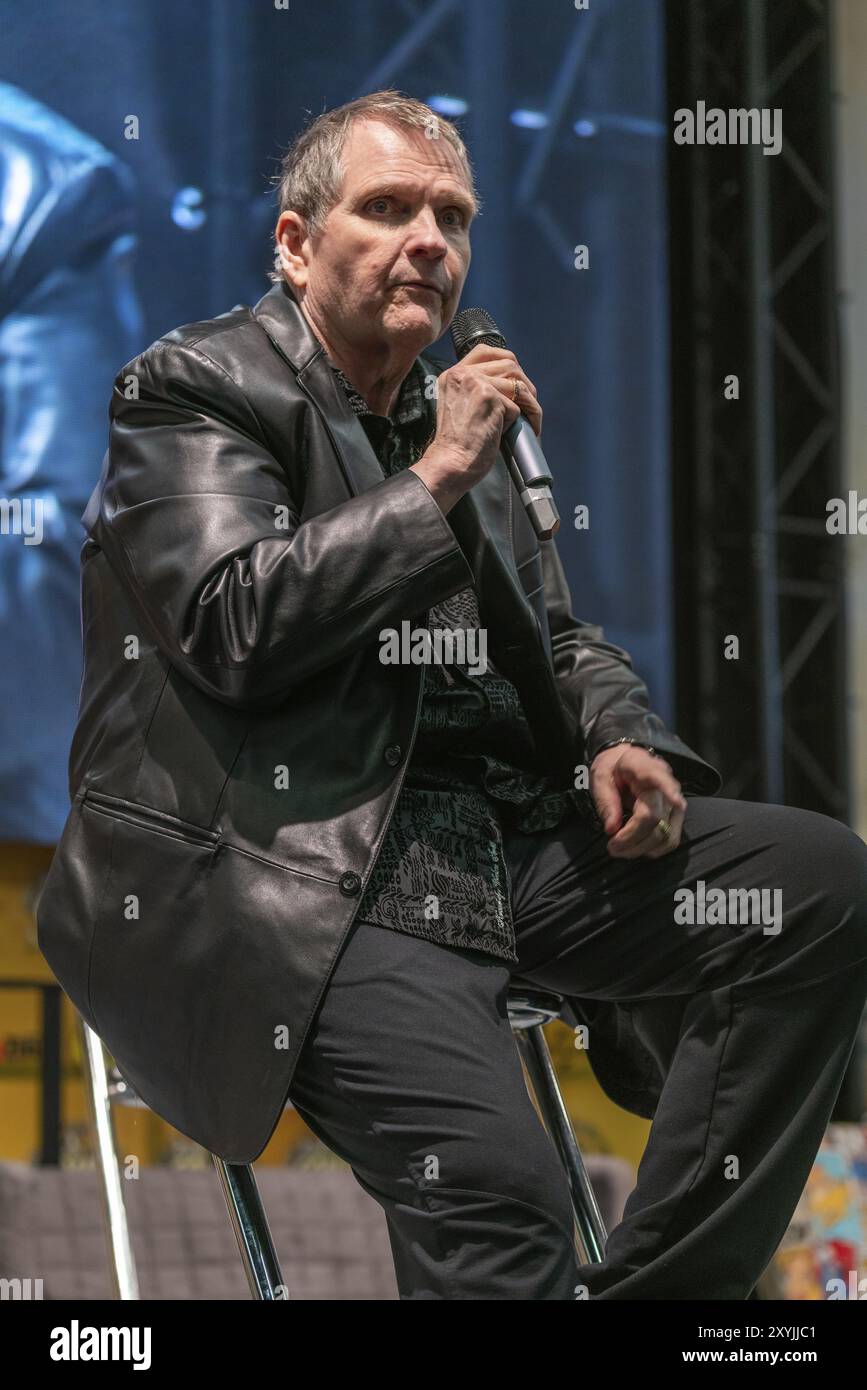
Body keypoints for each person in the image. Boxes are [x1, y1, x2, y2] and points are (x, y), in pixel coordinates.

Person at [37, 89, 867, 1300]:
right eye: (387, 209)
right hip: (295, 872)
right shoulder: (193, 390)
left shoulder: (456, 420)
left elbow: (561, 637)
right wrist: (433, 482)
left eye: (452, 216)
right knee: (499, 1185)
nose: (430, 238)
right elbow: (237, 624)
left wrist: (615, 731)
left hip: (498, 856)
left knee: (822, 888)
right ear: (294, 244)